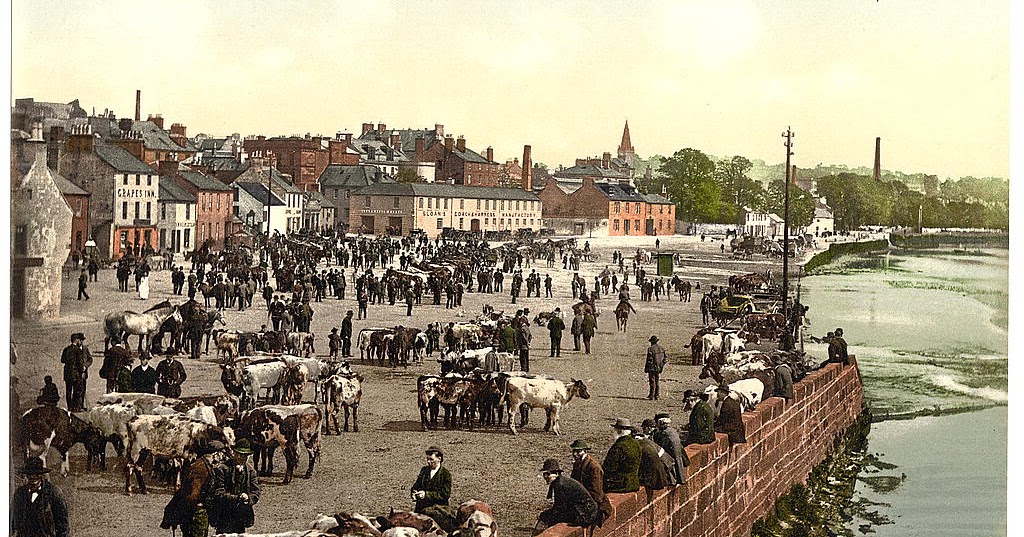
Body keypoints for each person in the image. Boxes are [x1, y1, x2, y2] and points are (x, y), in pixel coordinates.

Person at [161, 440, 224, 537]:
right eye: (221, 453)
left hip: (194, 513)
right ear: (215, 454)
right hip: (196, 514)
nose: (222, 457)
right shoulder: (201, 469)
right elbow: (192, 496)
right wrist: (202, 505)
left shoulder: (203, 465)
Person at [534, 458, 598, 535]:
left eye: (548, 474)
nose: (546, 476)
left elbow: (560, 507)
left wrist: (546, 515)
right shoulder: (560, 481)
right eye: (544, 474)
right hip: (584, 511)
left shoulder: (559, 484)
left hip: (585, 515)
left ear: (557, 473)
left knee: (551, 518)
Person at [210, 439, 261, 534]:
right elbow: (218, 493)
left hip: (241, 516)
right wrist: (237, 498)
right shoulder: (223, 469)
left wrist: (248, 498)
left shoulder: (250, 471)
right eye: (240, 454)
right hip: (224, 514)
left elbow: (256, 492)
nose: (242, 457)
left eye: (245, 455)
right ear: (234, 453)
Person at [11, 457, 70, 537]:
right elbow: (13, 522)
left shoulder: (53, 493)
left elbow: (63, 526)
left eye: (37, 475)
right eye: (30, 475)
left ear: (42, 475)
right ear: (26, 476)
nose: (33, 478)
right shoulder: (20, 494)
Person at [568, 440, 613, 528]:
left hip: (594, 502)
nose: (575, 454)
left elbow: (596, 492)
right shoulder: (577, 464)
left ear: (585, 451)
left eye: (578, 451)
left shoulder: (594, 467)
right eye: (574, 451)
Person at [602, 418, 641, 493]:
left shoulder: (618, 446)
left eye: (615, 429)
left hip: (621, 485)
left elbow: (609, 468)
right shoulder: (635, 443)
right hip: (634, 483)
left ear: (619, 431)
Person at [633, 420, 674, 490]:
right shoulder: (653, 436)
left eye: (644, 428)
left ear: (649, 428)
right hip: (667, 463)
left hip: (665, 466)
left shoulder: (655, 436)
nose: (643, 430)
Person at [410, 446, 452, 513]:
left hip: (438, 511)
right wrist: (414, 493)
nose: (428, 462)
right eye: (427, 459)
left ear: (439, 459)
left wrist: (426, 495)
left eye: (431, 459)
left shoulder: (445, 474)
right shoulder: (424, 470)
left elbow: (445, 495)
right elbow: (416, 486)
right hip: (421, 509)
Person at [652, 412, 689, 485]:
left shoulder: (664, 434)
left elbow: (660, 448)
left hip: (673, 463)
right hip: (679, 460)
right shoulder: (672, 431)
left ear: (660, 423)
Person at [60, 333, 91, 411]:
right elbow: (80, 363)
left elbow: (62, 360)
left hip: (67, 373)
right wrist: (82, 370)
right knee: (77, 390)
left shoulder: (66, 349)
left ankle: (70, 407)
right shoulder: (78, 350)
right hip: (76, 374)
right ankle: (75, 407)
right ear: (76, 340)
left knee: (68, 390)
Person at [644, 335, 668, 400]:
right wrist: (661, 365)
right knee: (657, 381)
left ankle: (652, 395)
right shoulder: (662, 348)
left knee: (652, 381)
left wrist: (646, 368)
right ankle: (657, 395)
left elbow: (649, 360)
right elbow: (665, 359)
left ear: (652, 342)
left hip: (652, 368)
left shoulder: (650, 349)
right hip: (659, 368)